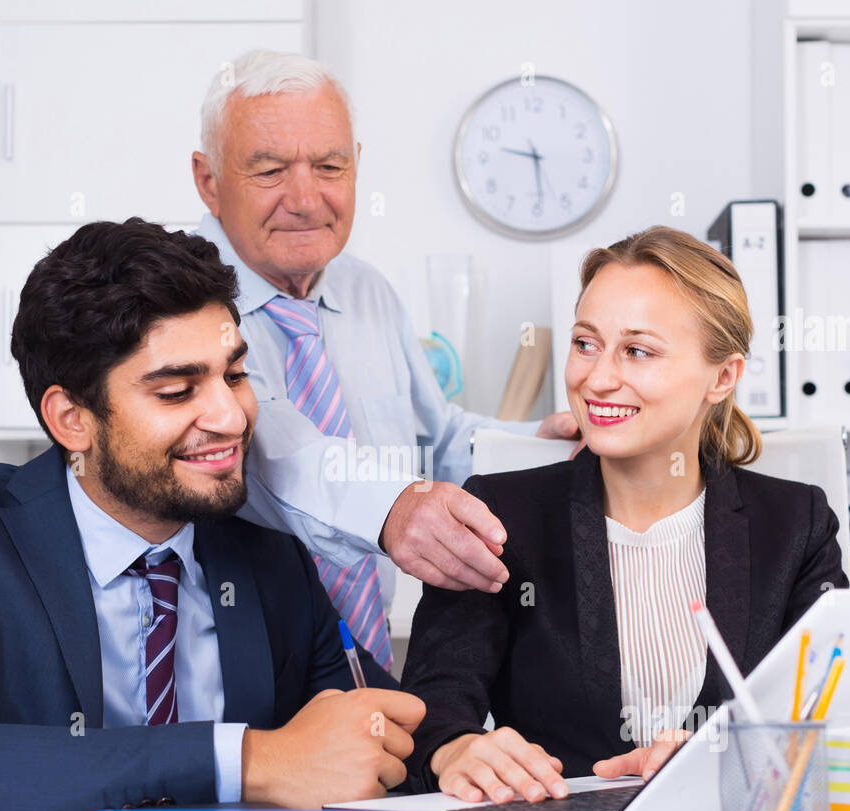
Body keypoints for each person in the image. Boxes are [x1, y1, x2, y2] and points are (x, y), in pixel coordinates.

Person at [0, 218, 424, 811]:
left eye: (234, 376)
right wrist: (247, 760)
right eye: (178, 390)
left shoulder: (261, 545)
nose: (231, 417)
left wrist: (455, 749)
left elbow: (370, 721)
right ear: (72, 419)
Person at [401, 225, 849, 805]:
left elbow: (827, 714)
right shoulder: (500, 516)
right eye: (586, 343)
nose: (598, 378)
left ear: (723, 376)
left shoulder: (795, 524)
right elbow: (433, 709)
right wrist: (453, 748)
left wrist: (716, 757)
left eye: (637, 351)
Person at [190, 49, 579, 671]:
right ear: (208, 181)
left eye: (329, 166)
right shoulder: (175, 301)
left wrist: (535, 441)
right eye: (268, 170)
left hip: (367, 655)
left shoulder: (366, 291)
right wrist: (395, 506)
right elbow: (270, 449)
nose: (304, 197)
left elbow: (437, 436)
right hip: (235, 659)